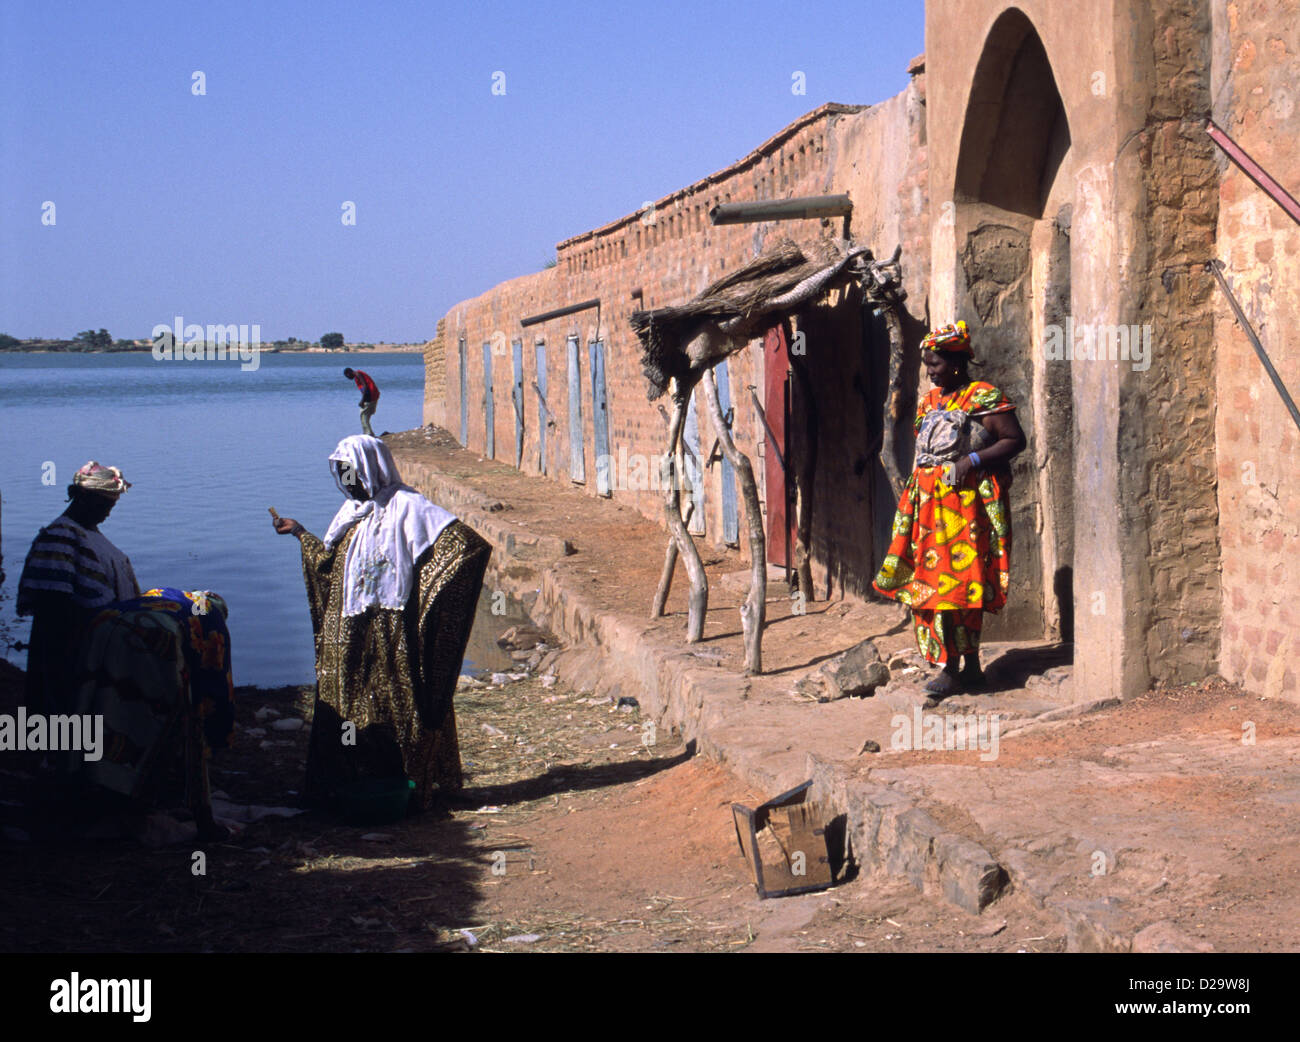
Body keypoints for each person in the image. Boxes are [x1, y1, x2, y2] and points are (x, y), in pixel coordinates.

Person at [273, 435, 490, 812]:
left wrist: (431, 592)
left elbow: (465, 546)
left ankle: (407, 782)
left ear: (370, 468)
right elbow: (328, 567)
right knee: (348, 706)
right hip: (347, 636)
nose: (347, 480)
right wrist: (299, 533)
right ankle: (351, 781)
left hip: (391, 632)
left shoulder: (409, 507)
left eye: (351, 472)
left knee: (397, 700)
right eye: (341, 473)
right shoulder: (349, 515)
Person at [16, 462, 233, 839]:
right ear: (81, 496)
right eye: (103, 502)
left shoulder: (89, 534)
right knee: (68, 716)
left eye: (111, 502)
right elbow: (56, 610)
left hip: (110, 647)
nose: (109, 509)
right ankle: (82, 793)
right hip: (75, 650)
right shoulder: (59, 537)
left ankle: (117, 785)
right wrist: (108, 628)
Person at [872, 322, 1027, 697]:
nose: (930, 371)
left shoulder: (982, 397)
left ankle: (958, 668)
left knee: (958, 585)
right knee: (928, 583)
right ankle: (960, 666)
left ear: (957, 362)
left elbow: (1014, 439)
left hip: (964, 509)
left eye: (936, 364)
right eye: (927, 365)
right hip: (927, 507)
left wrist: (971, 460)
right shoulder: (930, 402)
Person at [343, 367, 380, 436]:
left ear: (349, 373)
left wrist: (362, 400)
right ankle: (367, 432)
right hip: (373, 395)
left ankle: (369, 433)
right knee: (366, 414)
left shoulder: (358, 374)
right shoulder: (357, 377)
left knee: (363, 414)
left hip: (370, 395)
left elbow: (365, 387)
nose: (348, 378)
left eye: (347, 376)